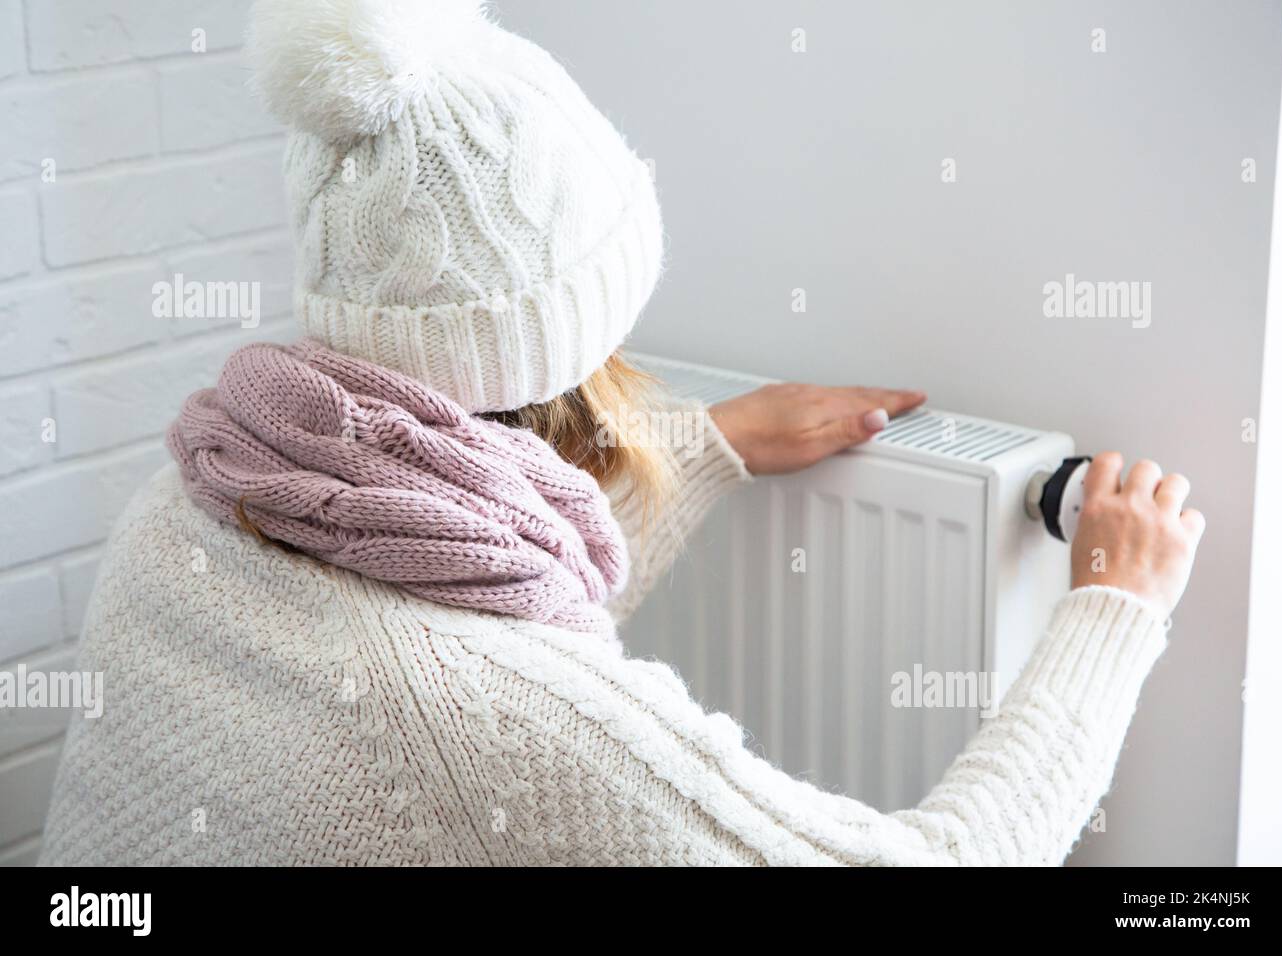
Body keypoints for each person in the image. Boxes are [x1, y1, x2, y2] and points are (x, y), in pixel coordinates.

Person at [38, 0, 1203, 866]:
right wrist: (1113, 606)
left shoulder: (187, 508)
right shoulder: (484, 717)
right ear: (571, 345)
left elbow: (447, 603)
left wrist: (700, 446)